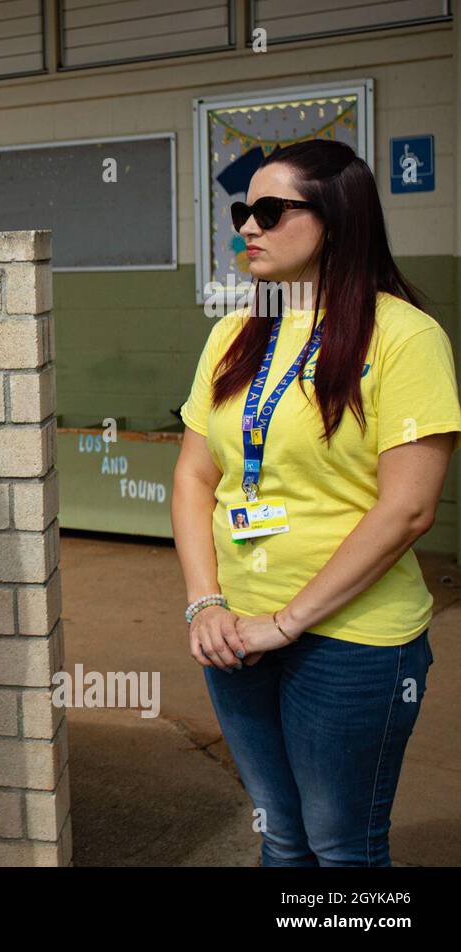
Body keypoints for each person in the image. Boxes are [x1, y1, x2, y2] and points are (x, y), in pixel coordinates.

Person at [172, 138, 461, 866]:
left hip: (351, 642)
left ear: (337, 216)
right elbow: (193, 479)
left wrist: (287, 622)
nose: (247, 227)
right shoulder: (232, 335)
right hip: (234, 633)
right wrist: (206, 602)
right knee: (281, 834)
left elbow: (408, 510)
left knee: (341, 846)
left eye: (271, 210)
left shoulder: (406, 336)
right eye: (243, 211)